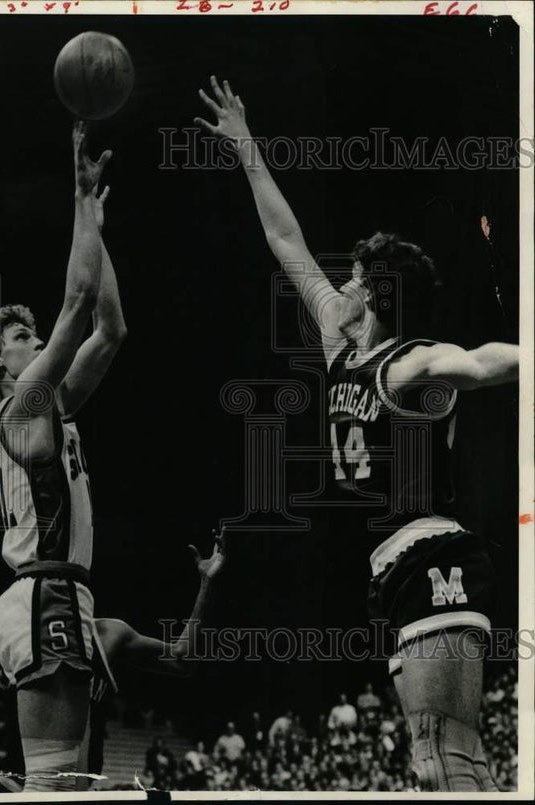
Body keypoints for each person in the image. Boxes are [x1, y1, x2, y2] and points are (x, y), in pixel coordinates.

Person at [195, 76, 519, 792]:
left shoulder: (411, 366)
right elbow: (285, 240)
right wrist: (246, 146)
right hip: (392, 567)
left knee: (451, 758)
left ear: (374, 293)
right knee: (432, 764)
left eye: (349, 275)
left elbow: (479, 362)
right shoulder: (342, 344)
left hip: (436, 551)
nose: (333, 282)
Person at [0, 120, 123, 791]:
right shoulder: (22, 402)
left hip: (61, 591)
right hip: (44, 591)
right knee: (55, 786)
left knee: (70, 784)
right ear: (3, 358)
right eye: (25, 336)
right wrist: (81, 200)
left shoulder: (47, 406)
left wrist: (98, 231)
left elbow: (110, 328)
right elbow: (77, 302)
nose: (37, 343)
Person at [0, 529, 227, 789]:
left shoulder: (110, 633)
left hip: (79, 786)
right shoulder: (15, 624)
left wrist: (208, 584)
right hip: (22, 784)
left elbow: (182, 661)